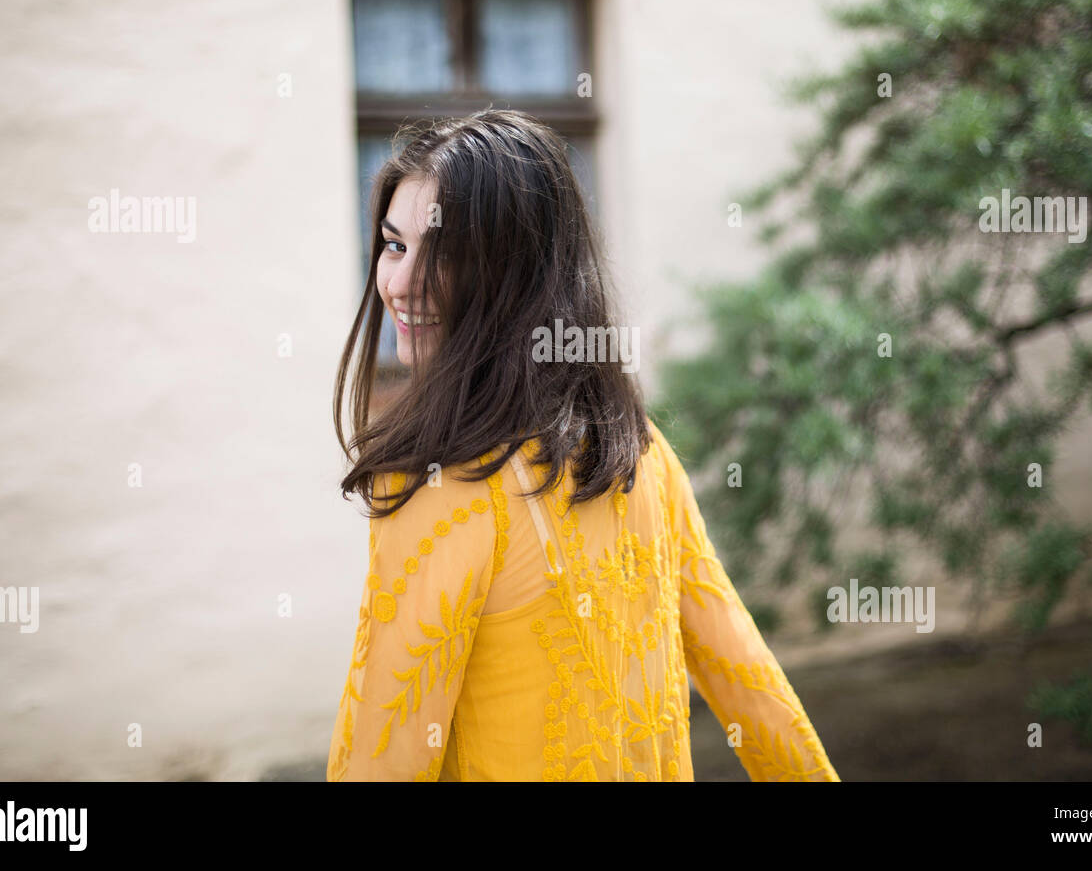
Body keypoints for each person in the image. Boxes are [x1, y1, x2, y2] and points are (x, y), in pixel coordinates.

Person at [327, 108, 839, 782]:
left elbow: (381, 761)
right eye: (394, 245)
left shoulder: (437, 485)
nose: (398, 284)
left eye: (445, 254)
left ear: (521, 275)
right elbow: (751, 686)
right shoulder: (640, 450)